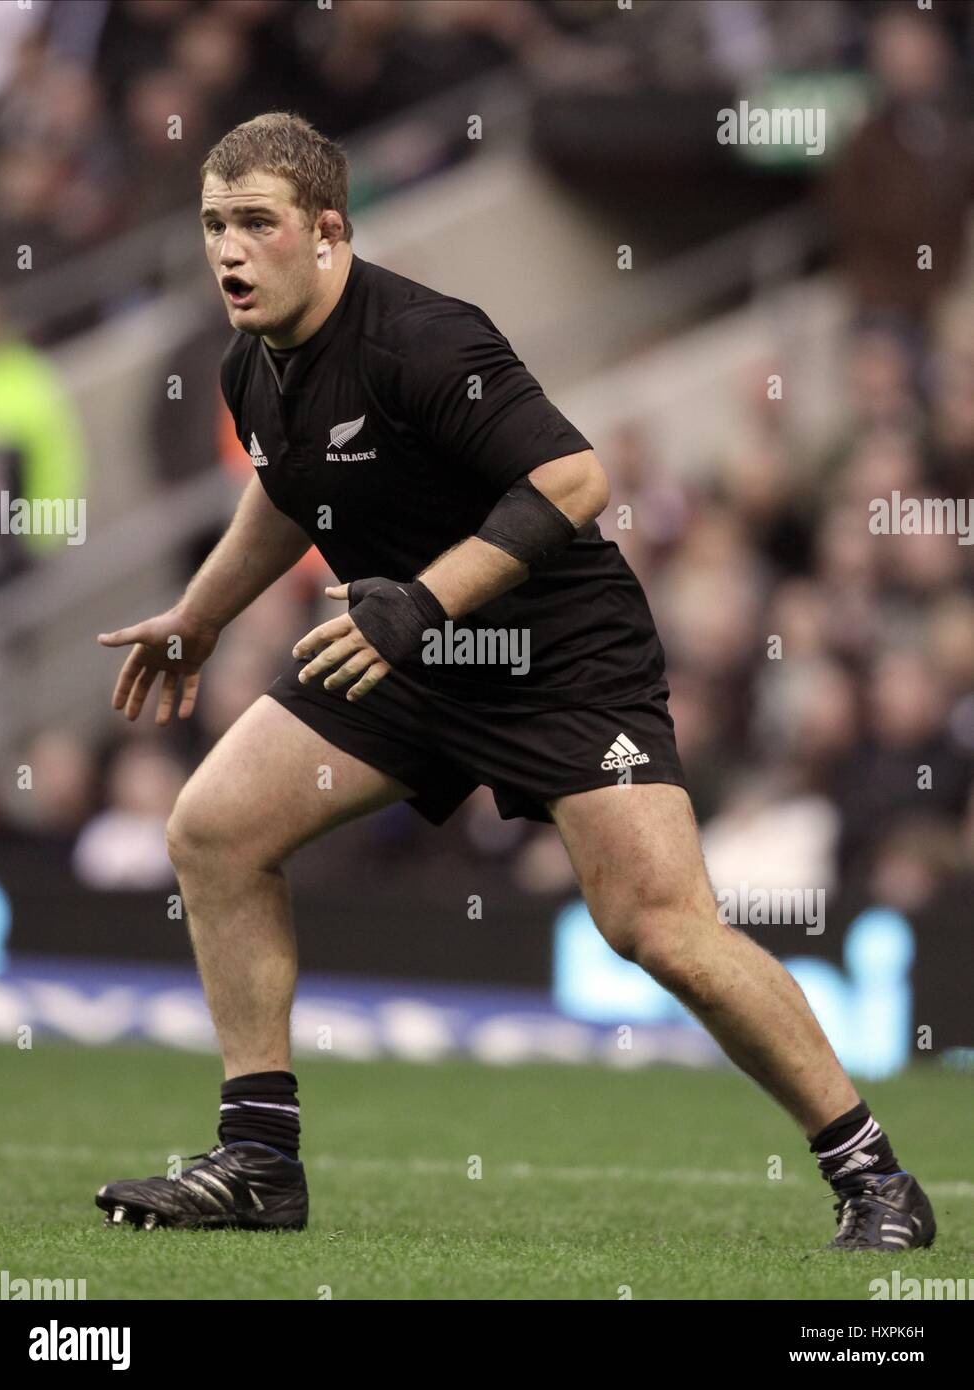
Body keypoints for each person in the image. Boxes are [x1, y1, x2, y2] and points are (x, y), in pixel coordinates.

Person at [95, 113, 934, 1250]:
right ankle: (258, 1162)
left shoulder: (424, 339)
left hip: (556, 659)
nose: (228, 251)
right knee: (212, 829)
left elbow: (574, 479)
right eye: (212, 226)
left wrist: (425, 601)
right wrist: (199, 618)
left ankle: (871, 1176)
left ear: (327, 232)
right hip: (401, 653)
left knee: (658, 927)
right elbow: (289, 491)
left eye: (256, 224)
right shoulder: (253, 363)